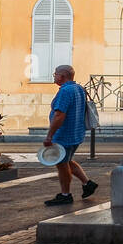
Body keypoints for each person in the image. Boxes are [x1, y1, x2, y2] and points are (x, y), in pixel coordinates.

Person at [41, 64, 98, 206]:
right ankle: (87, 183)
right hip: (76, 133)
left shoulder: (65, 91)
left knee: (61, 163)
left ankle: (65, 195)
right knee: (67, 160)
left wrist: (49, 135)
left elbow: (59, 115)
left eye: (55, 74)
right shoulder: (79, 88)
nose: (54, 76)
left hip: (64, 134)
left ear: (62, 76)